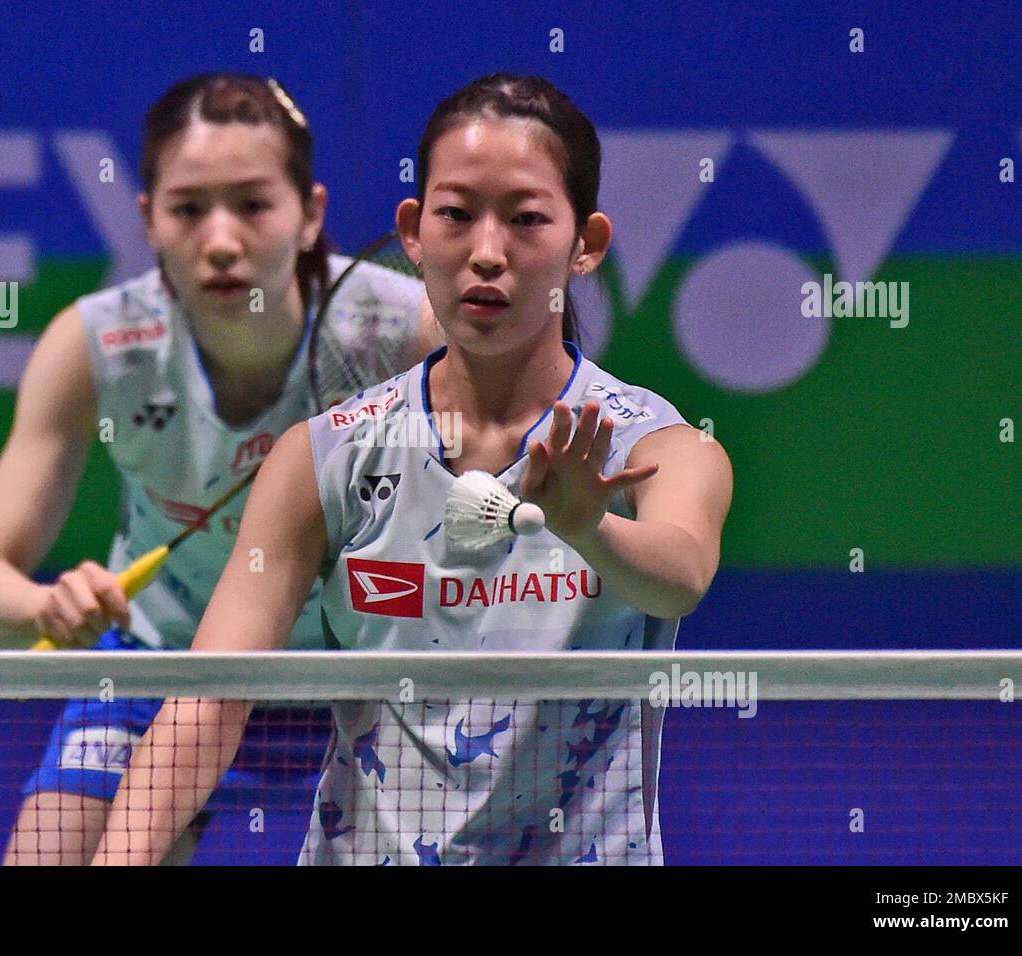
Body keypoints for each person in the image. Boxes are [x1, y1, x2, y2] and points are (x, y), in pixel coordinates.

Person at [92, 73, 733, 866]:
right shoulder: (325, 457)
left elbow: (681, 575)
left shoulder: (655, 446)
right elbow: (208, 699)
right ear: (415, 233)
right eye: (457, 216)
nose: (487, 253)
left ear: (585, 245)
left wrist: (587, 526)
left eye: (528, 219)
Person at [0, 73, 435, 865]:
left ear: (309, 215)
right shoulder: (95, 346)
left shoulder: (404, 332)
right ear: (147, 220)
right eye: (188, 208)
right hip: (163, 660)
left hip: (357, 679)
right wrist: (49, 606)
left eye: (252, 203)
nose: (221, 239)